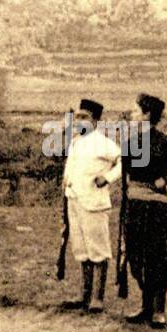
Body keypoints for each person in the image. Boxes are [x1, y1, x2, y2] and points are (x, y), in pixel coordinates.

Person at [122, 93, 167, 329]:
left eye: (136, 111)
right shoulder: (130, 143)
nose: (132, 115)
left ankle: (159, 310)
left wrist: (166, 179)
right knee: (136, 254)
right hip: (135, 206)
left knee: (158, 256)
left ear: (147, 115)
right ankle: (145, 305)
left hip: (157, 206)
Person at [61, 98, 122, 313]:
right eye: (77, 116)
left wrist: (107, 177)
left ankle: (98, 298)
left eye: (84, 117)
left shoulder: (104, 143)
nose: (79, 120)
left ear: (95, 120)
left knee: (98, 251)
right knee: (81, 249)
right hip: (74, 200)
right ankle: (83, 295)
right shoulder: (76, 141)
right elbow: (71, 166)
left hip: (93, 202)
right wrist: (66, 181)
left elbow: (123, 161)